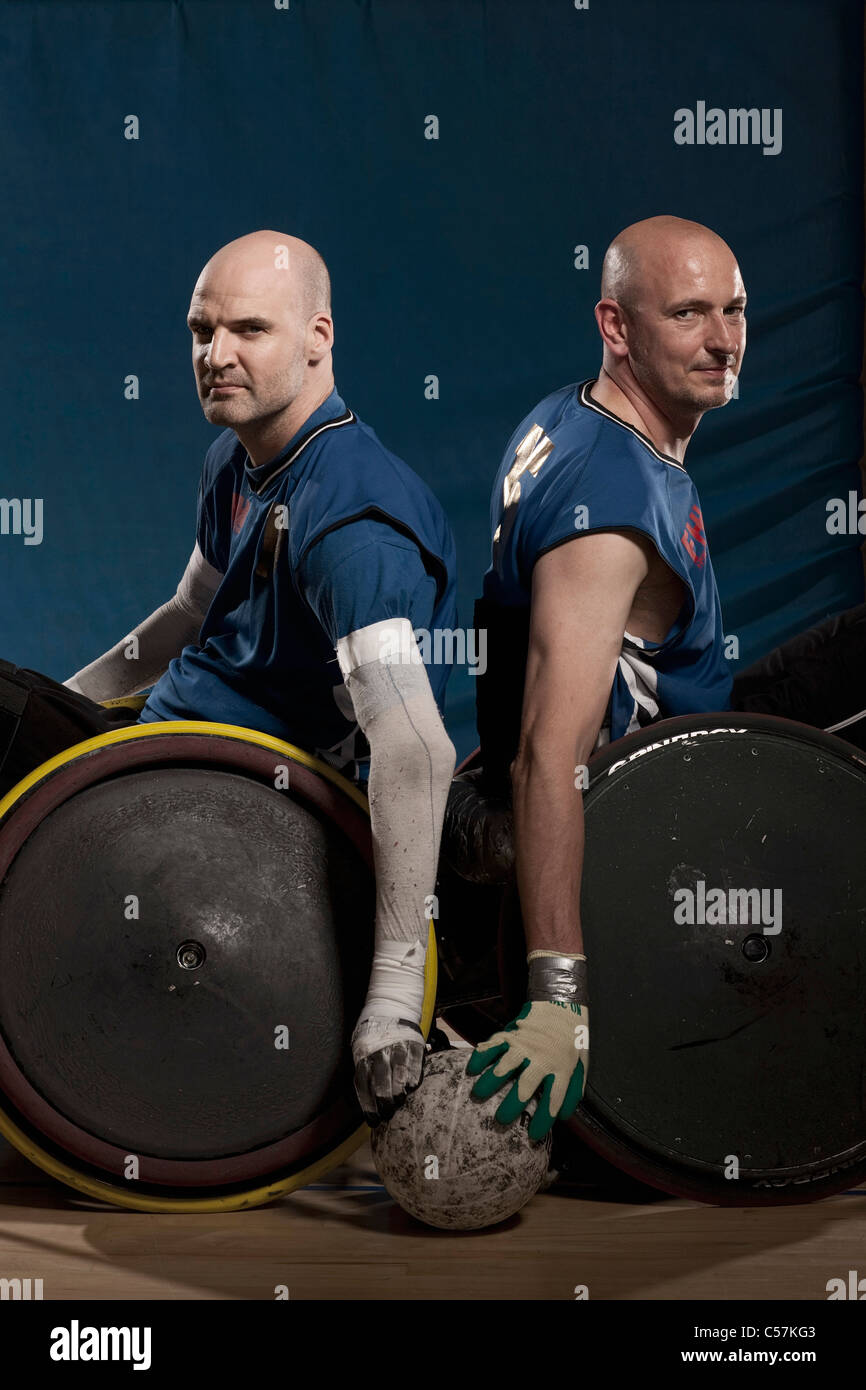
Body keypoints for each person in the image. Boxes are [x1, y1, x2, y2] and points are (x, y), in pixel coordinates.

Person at [0, 230, 458, 1126]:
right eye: (201, 331)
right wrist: (58, 717)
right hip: (154, 754)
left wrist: (394, 1002)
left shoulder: (351, 520)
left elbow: (417, 747)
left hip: (227, 810)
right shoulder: (241, 457)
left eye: (249, 329)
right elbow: (182, 621)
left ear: (318, 338)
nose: (217, 355)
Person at [460, 214, 866, 1141]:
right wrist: (559, 996)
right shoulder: (611, 511)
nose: (723, 341)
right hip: (660, 810)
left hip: (691, 727)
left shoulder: (572, 416)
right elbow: (547, 753)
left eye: (735, 310)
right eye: (688, 314)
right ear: (617, 327)